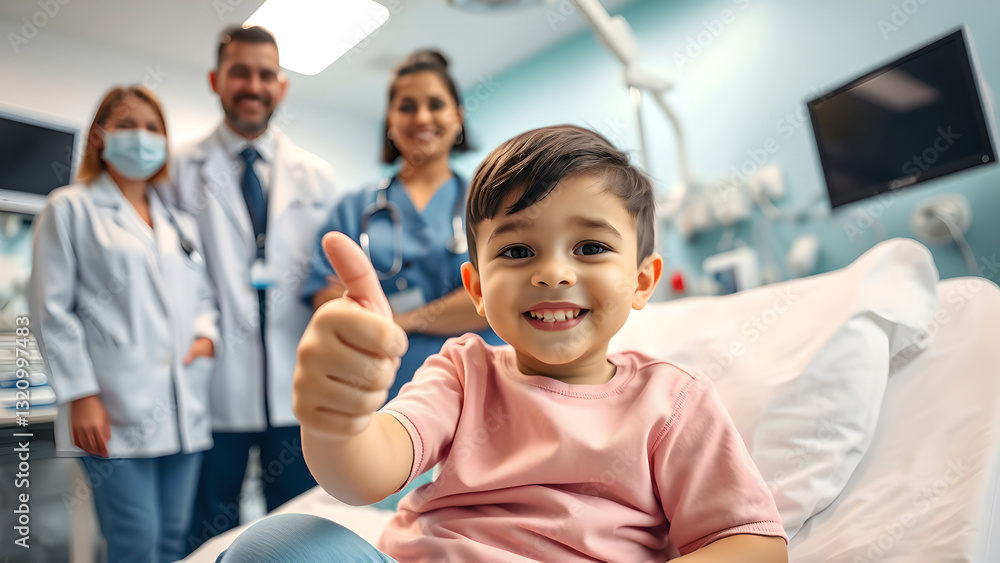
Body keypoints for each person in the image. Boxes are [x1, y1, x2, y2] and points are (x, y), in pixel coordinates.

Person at [217, 125, 789, 562]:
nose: (554, 274)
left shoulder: (671, 401)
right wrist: (335, 422)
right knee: (278, 543)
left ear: (642, 280)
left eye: (590, 247)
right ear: (478, 290)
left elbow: (750, 543)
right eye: (517, 252)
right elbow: (365, 475)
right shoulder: (463, 374)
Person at [168, 25, 340, 551]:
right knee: (208, 532)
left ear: (282, 86)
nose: (254, 85)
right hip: (212, 384)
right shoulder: (177, 168)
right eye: (240, 72)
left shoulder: (317, 175)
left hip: (297, 385)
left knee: (295, 533)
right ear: (216, 80)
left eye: (266, 74)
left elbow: (332, 277)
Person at [29, 85, 218, 563]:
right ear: (99, 136)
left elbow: (203, 299)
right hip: (111, 408)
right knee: (136, 538)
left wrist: (205, 337)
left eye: (154, 128)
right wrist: (81, 394)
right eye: (128, 125)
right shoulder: (69, 208)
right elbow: (52, 309)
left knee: (174, 536)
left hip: (183, 405)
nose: (143, 137)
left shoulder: (178, 223)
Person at [302, 49, 502, 404]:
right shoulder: (354, 207)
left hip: (483, 379)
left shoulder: (492, 201)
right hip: (384, 383)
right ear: (390, 121)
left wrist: (400, 320)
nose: (422, 117)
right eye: (407, 107)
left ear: (458, 117)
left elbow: (497, 294)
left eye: (436, 104)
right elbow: (328, 295)